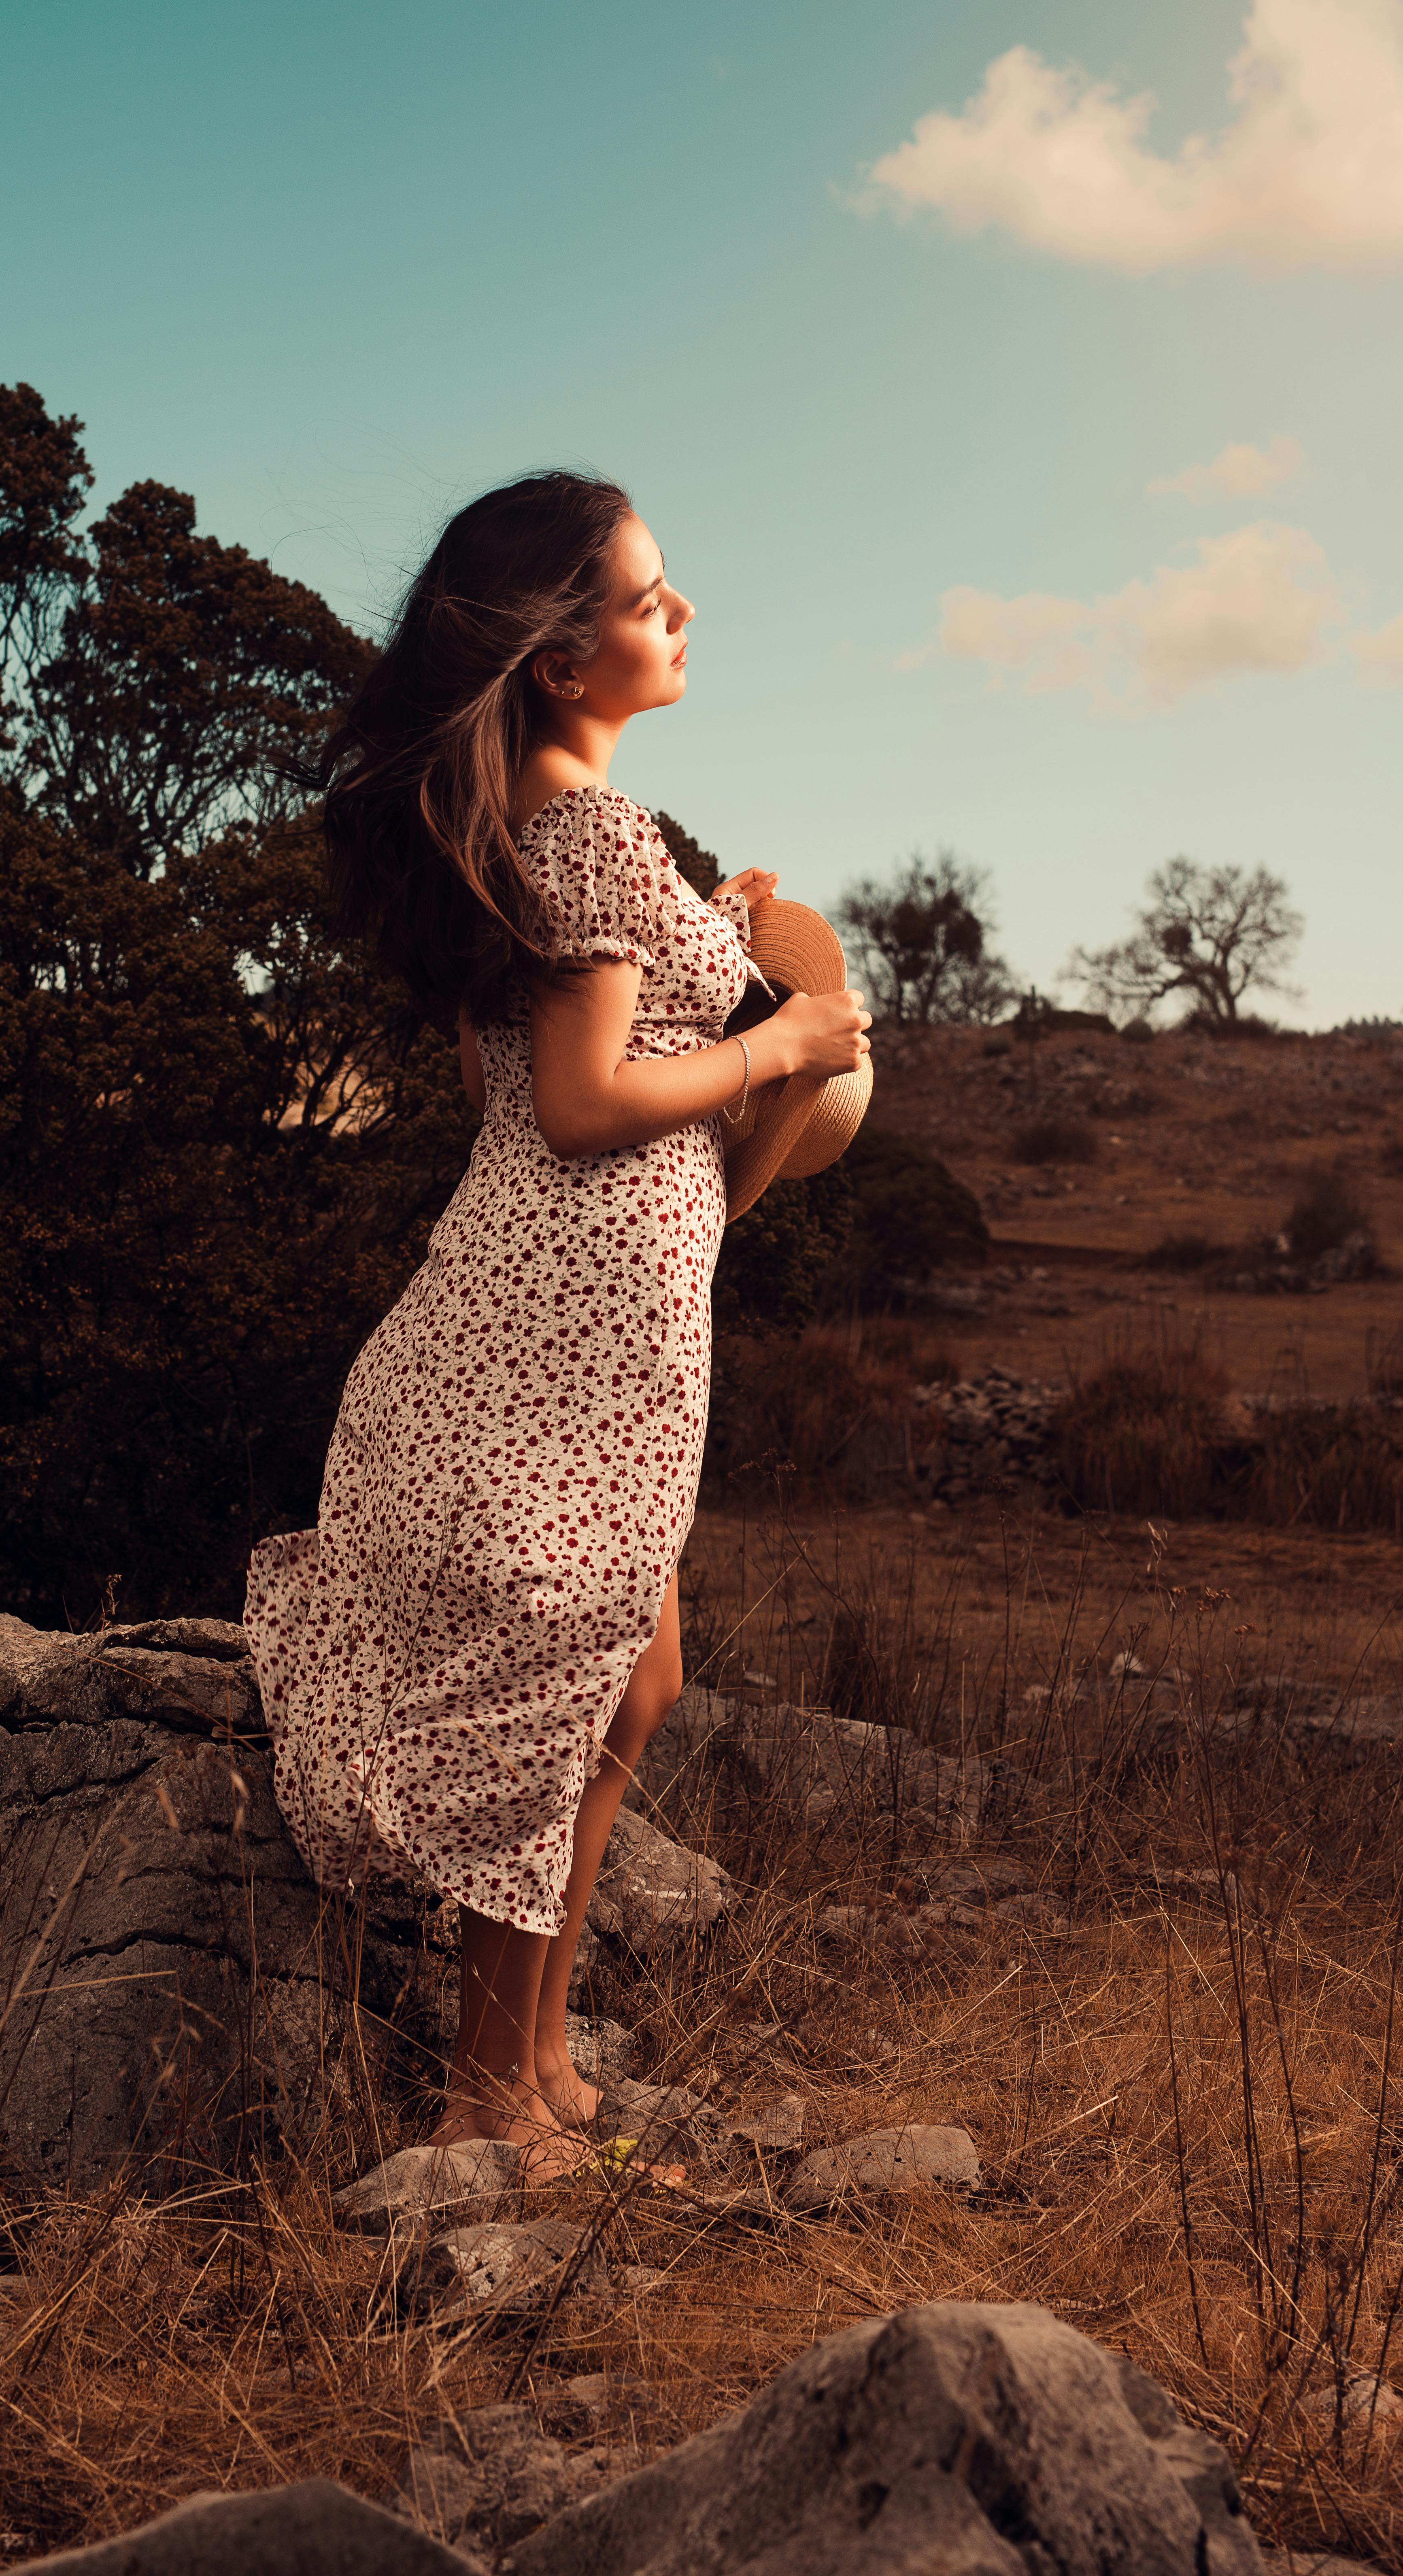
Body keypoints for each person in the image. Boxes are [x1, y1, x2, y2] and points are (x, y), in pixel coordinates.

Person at [244, 472, 869, 2175]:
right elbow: (585, 1103)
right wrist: (783, 1044)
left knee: (631, 1680)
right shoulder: (586, 833)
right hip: (562, 1336)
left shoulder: (534, 831)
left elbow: (520, 1067)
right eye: (651, 597)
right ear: (556, 656)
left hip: (569, 1320)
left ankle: (536, 2062)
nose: (681, 616)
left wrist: (717, 936)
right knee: (580, 1694)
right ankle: (485, 2093)